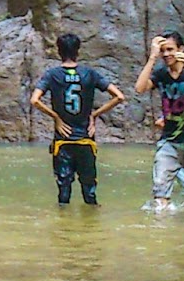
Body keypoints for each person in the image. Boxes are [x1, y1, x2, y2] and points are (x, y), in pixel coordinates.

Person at [32, 33, 126, 205]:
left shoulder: (52, 75)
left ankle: (63, 229)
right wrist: (94, 115)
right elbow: (119, 96)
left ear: (58, 50)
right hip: (85, 140)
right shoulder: (90, 74)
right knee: (90, 192)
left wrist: (56, 117)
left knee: (63, 193)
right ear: (78, 51)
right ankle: (91, 228)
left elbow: (34, 100)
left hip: (63, 141)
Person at [136, 31, 184, 211]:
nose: (166, 54)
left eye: (170, 49)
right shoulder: (161, 74)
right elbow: (139, 88)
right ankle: (163, 236)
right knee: (160, 193)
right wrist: (152, 57)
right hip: (168, 141)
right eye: (163, 50)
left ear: (180, 49)